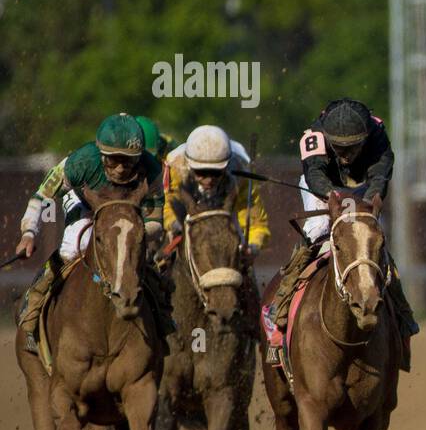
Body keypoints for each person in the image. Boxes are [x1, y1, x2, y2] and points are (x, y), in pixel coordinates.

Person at [267, 98, 418, 367]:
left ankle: (404, 323)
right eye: (339, 148)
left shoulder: (378, 135)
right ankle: (279, 316)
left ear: (366, 136)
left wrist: (368, 204)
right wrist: (333, 199)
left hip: (363, 191)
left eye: (353, 147)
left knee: (371, 243)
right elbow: (315, 176)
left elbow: (380, 177)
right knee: (315, 234)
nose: (346, 154)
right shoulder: (314, 136)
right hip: (324, 189)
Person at [14, 113, 166, 351]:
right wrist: (29, 233)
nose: (119, 169)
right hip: (86, 203)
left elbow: (156, 219)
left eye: (128, 161)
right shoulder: (80, 162)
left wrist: (131, 238)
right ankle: (33, 305)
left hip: (128, 212)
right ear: (100, 152)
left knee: (136, 252)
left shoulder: (153, 170)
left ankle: (163, 315)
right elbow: (43, 196)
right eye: (113, 160)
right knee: (76, 244)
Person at [163, 125, 271, 257]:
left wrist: (252, 247)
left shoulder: (240, 172)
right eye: (201, 172)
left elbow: (256, 224)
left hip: (228, 229)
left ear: (226, 166)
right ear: (189, 166)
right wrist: (177, 226)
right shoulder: (177, 167)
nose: (208, 180)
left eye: (215, 173)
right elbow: (168, 208)